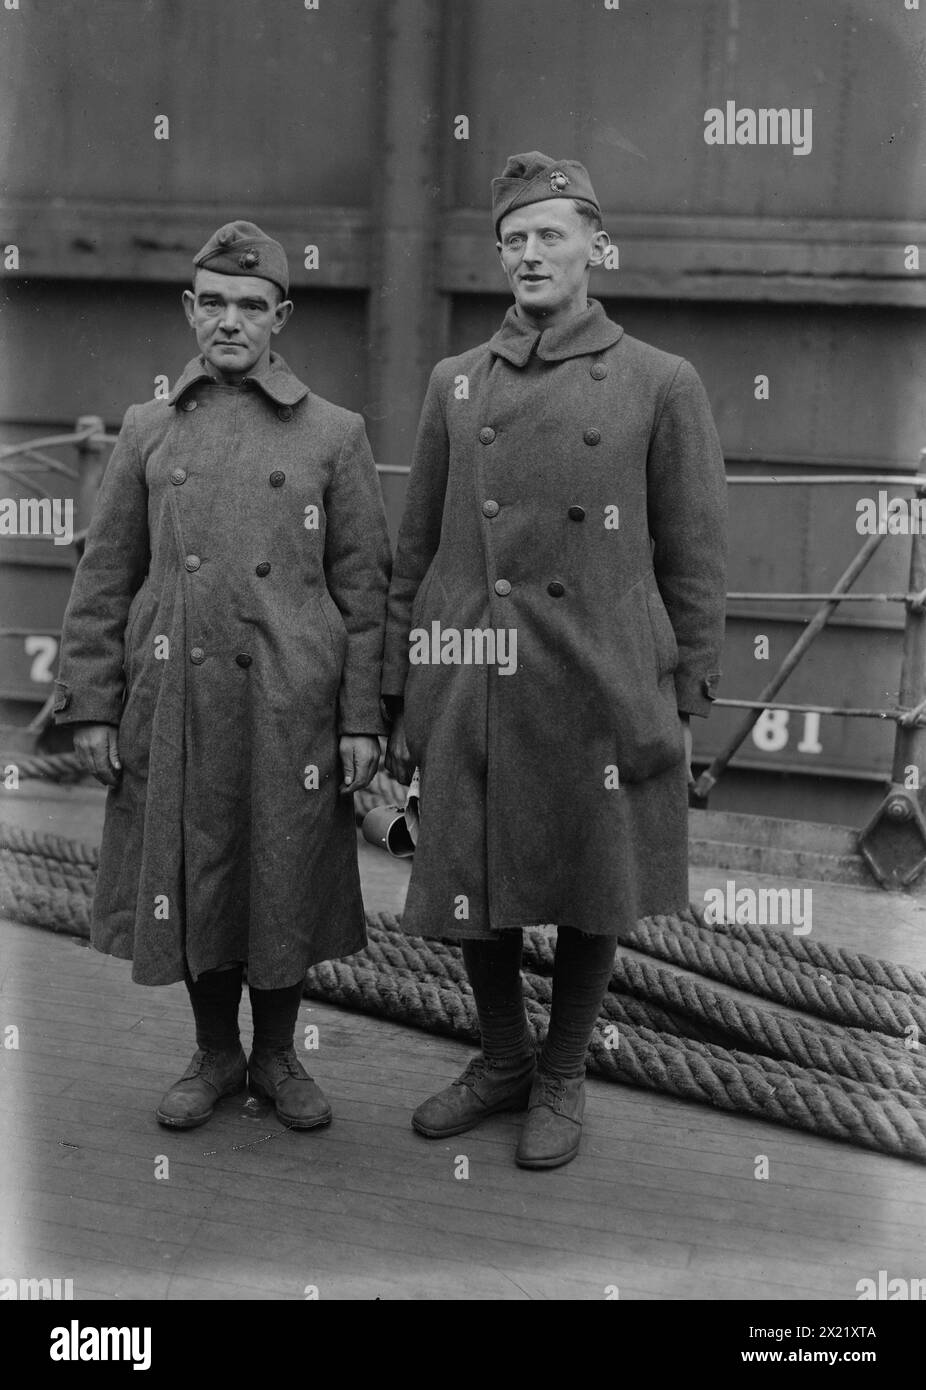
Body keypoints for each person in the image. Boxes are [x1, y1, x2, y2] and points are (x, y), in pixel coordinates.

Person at [383, 153, 728, 1169]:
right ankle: (499, 1058)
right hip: (474, 660)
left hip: (601, 671)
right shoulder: (455, 384)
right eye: (514, 240)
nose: (530, 255)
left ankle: (563, 1072)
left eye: (549, 235)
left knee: (592, 874)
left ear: (592, 244)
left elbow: (693, 550)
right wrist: (402, 685)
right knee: (471, 872)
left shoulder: (660, 381)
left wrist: (686, 694)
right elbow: (417, 546)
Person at [55, 221, 391, 1131]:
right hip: (179, 699)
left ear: (281, 315)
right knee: (195, 872)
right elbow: (104, 576)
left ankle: (279, 1058)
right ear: (189, 311)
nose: (231, 321)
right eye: (214, 303)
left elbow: (366, 588)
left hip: (290, 700)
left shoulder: (335, 433)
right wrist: (92, 705)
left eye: (251, 305)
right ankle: (214, 1054)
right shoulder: (147, 430)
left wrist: (362, 719)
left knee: (279, 873)